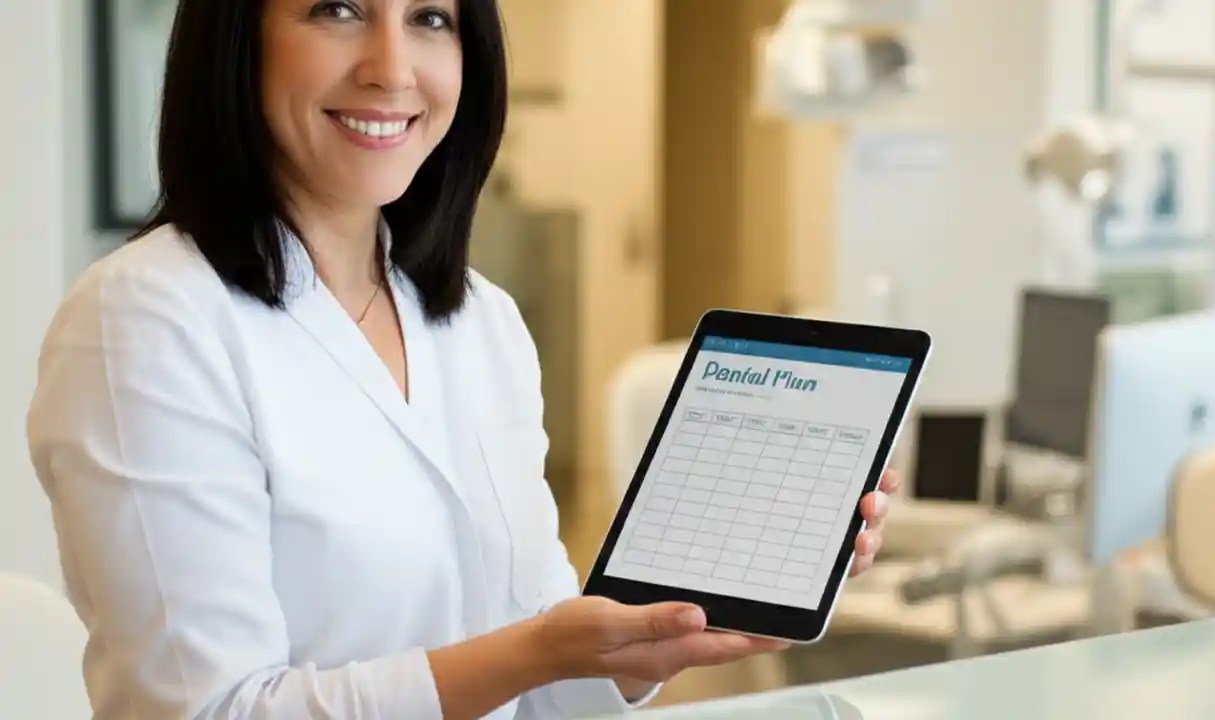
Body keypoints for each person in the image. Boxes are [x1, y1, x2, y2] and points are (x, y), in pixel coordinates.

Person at [26, 1, 898, 717]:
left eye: (431, 19)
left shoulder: (480, 321)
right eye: (337, 11)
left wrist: (643, 644)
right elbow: (211, 712)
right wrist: (530, 654)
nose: (392, 69)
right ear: (237, 40)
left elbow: (545, 682)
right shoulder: (146, 317)